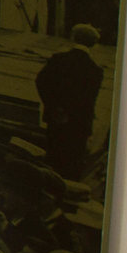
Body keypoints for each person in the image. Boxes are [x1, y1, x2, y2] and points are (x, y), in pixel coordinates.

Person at [35, 24, 105, 181]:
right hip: (78, 127)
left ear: (73, 38)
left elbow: (41, 82)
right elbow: (88, 102)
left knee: (53, 162)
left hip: (56, 121)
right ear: (93, 44)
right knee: (72, 169)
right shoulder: (95, 70)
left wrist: (54, 108)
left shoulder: (58, 60)